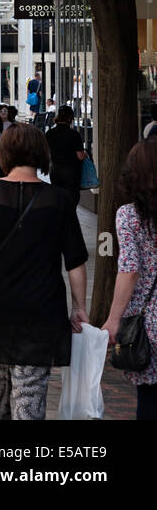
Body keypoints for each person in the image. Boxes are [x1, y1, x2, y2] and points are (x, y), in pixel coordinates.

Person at [0, 123, 88, 420]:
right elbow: (75, 262)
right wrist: (79, 308)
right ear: (41, 154)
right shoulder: (58, 200)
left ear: (3, 153)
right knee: (29, 392)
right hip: (41, 311)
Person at [102, 140, 157, 419]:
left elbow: (130, 269)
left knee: (149, 400)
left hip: (149, 324)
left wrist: (113, 319)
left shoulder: (129, 216)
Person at [45, 106, 86, 207]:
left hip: (55, 171)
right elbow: (80, 156)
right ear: (70, 118)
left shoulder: (49, 133)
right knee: (71, 200)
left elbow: (45, 152)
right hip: (71, 173)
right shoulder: (74, 134)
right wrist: (86, 154)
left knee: (58, 199)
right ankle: (69, 220)